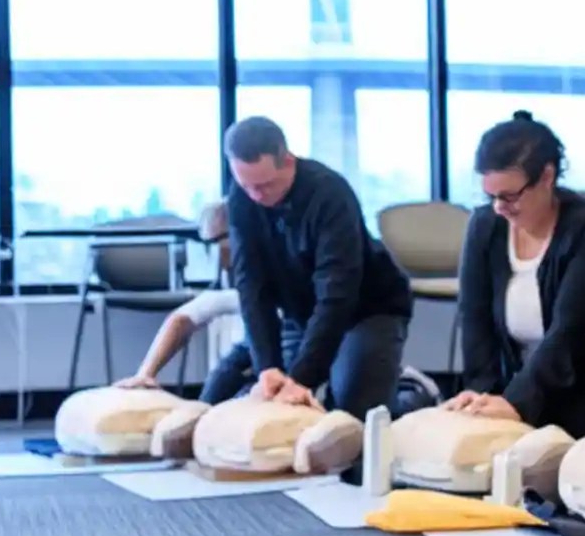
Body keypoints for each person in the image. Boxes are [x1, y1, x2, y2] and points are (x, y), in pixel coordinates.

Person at [442, 110, 585, 437]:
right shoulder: (485, 226)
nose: (499, 207)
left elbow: (570, 332)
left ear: (547, 177)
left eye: (510, 196)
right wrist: (483, 397)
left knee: (543, 451)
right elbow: (475, 322)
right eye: (491, 196)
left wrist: (515, 403)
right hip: (539, 388)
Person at [224, 115, 413, 419]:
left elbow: (337, 294)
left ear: (288, 161)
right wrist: (268, 368)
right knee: (226, 392)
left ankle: (410, 396)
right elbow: (251, 287)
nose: (257, 196)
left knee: (351, 411)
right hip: (300, 315)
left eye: (266, 185)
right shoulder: (242, 199)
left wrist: (301, 379)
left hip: (367, 309)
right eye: (248, 186)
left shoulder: (330, 193)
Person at [113, 200, 253, 404]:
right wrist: (145, 374)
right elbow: (182, 319)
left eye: (215, 242)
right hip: (251, 345)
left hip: (291, 342)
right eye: (206, 245)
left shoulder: (266, 261)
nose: (212, 253)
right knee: (212, 395)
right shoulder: (226, 276)